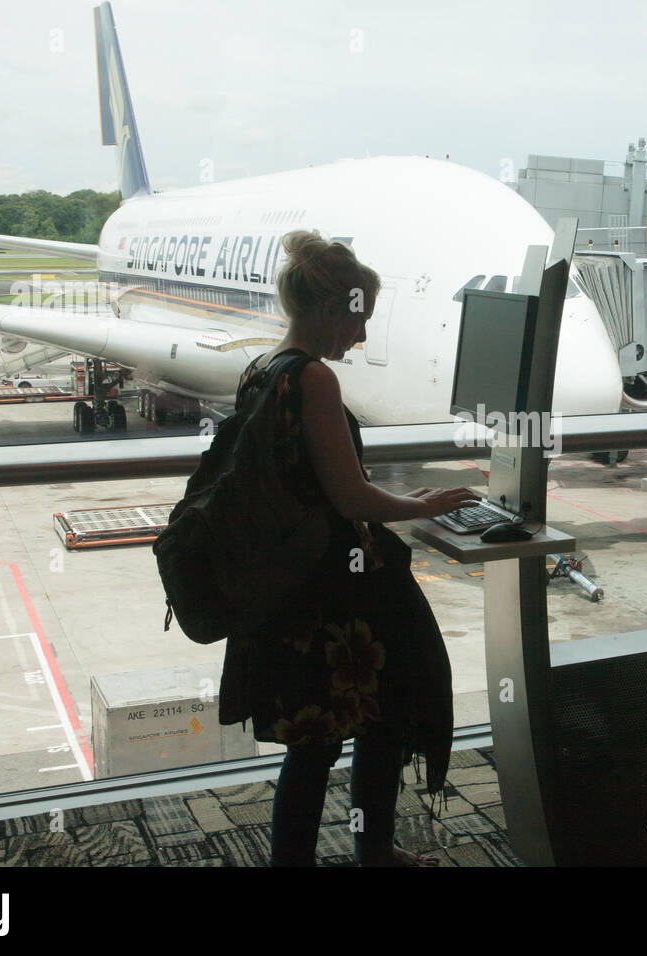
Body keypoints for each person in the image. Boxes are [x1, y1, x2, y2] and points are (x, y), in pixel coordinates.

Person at [218, 230, 478, 866]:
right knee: (378, 722)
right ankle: (373, 849)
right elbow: (352, 501)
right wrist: (420, 507)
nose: (360, 337)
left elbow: (312, 486)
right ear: (334, 309)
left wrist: (388, 497)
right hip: (329, 600)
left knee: (316, 742)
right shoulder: (313, 380)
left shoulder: (262, 369)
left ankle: (311, 859)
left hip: (289, 589)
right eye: (359, 319)